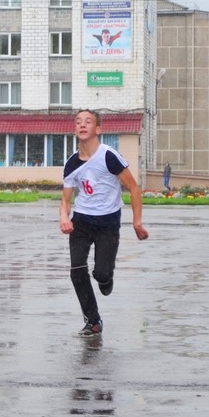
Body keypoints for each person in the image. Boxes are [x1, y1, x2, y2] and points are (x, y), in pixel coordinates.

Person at [59, 109, 149, 337]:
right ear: (74, 129)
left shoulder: (109, 156)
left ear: (98, 129)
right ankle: (93, 320)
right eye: (78, 121)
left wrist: (137, 222)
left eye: (88, 121)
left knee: (100, 273)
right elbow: (66, 199)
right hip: (81, 222)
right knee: (77, 271)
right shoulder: (71, 164)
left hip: (108, 223)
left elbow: (134, 188)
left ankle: (105, 277)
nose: (82, 124)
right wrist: (64, 218)